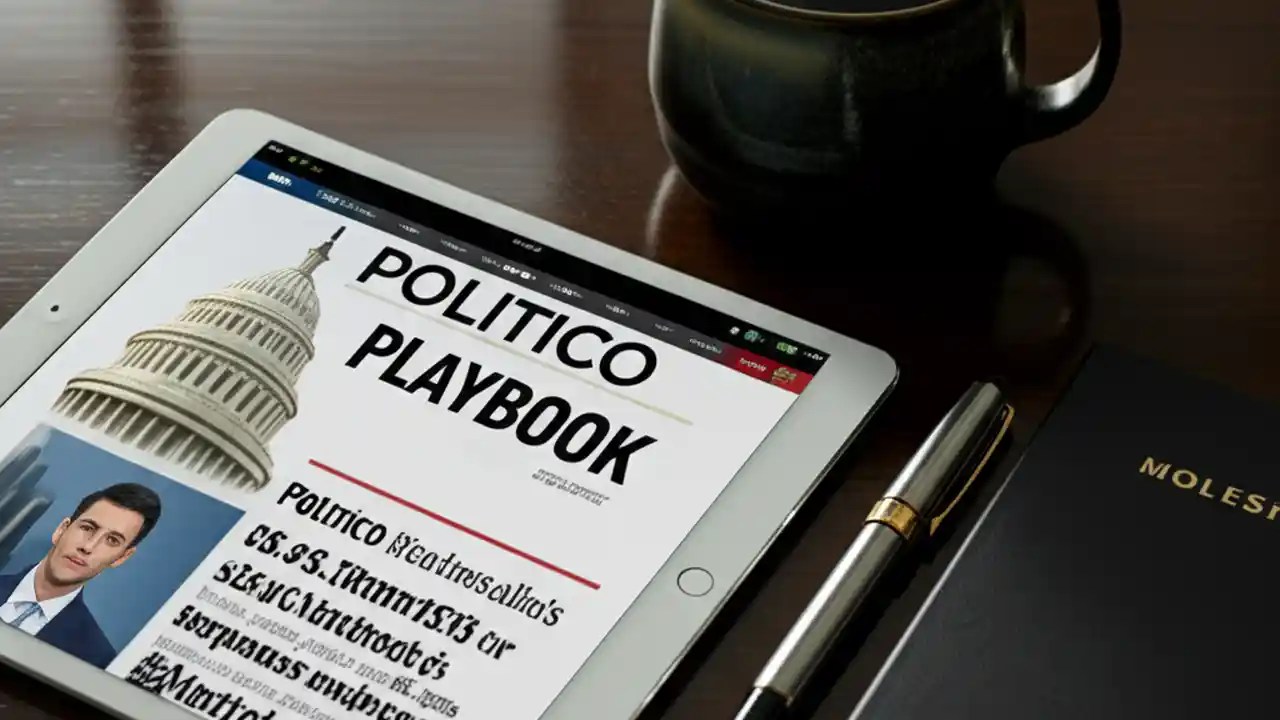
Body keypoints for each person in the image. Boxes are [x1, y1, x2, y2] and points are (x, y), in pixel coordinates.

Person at [0, 483, 162, 669]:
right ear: (61, 529)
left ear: (121, 557)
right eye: (88, 528)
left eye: (112, 540)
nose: (88, 547)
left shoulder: (97, 658)